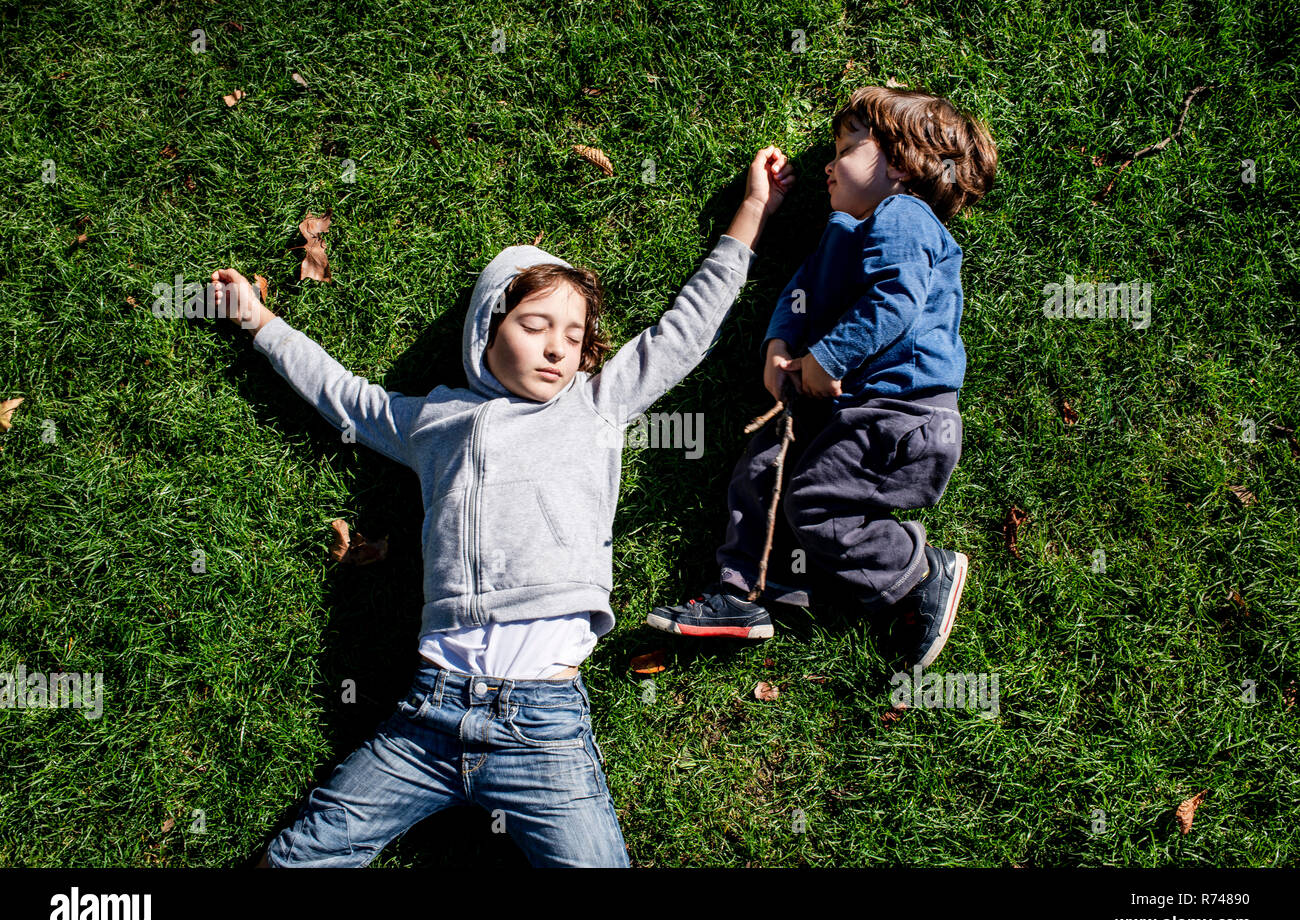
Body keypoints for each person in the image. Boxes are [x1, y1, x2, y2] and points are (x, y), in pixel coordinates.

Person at [209, 145, 795, 867]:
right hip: (428, 713)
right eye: (536, 326)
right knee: (301, 855)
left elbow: (685, 329)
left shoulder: (598, 404)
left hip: (543, 724)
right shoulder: (434, 421)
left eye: (575, 337)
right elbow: (344, 395)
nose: (559, 349)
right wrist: (259, 323)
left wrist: (751, 210)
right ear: (488, 328)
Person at [646, 85, 998, 670]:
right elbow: (801, 290)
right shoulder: (842, 230)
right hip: (840, 405)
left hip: (899, 414)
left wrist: (827, 359)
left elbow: (895, 300)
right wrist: (780, 344)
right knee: (762, 469)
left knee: (814, 505)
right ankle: (742, 593)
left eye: (849, 147)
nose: (830, 165)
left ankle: (918, 571)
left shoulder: (903, 216)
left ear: (903, 163)